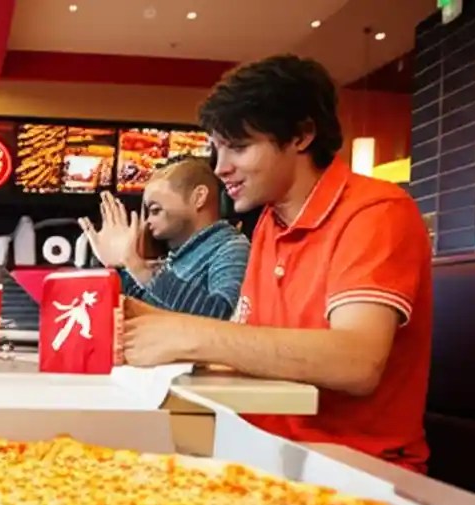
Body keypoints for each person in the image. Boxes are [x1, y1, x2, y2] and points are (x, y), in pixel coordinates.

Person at [121, 54, 434, 472]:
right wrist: (145, 318)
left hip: (353, 468)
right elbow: (248, 345)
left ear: (302, 135)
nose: (220, 168)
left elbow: (357, 362)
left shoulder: (377, 212)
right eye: (217, 148)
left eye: (239, 147)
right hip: (264, 453)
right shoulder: (271, 221)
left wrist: (188, 333)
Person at [78, 156, 249, 319]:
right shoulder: (176, 255)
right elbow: (143, 304)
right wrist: (118, 266)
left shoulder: (232, 247)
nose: (148, 221)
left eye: (155, 210)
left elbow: (225, 317)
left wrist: (140, 269)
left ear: (198, 198)